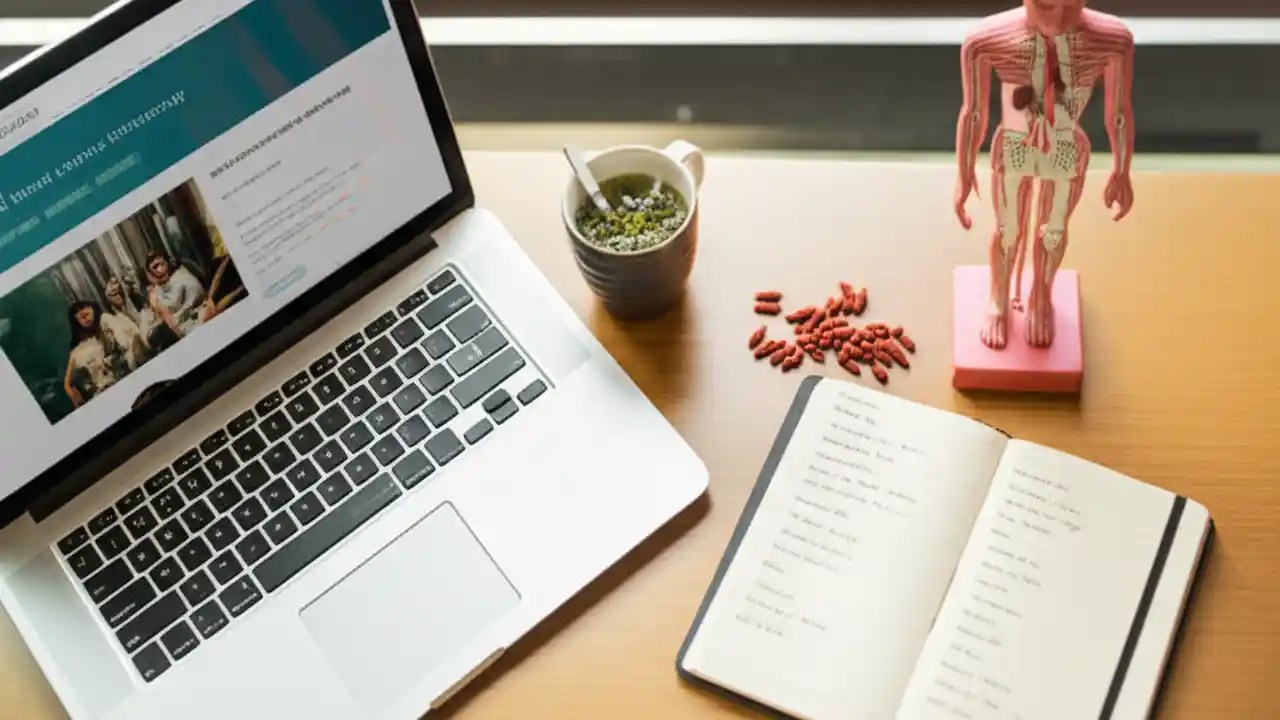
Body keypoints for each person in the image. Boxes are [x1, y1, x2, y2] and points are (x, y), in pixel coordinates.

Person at [953, 0, 1135, 349]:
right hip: (1015, 144)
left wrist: (1122, 170)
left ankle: (1040, 295)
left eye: (1070, 5)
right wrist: (964, 174)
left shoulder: (1113, 40)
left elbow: (1119, 112)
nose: (1059, 19)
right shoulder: (986, 39)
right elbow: (973, 112)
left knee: (1053, 231)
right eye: (1046, 5)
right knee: (1008, 230)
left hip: (1066, 147)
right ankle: (998, 295)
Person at [63, 301, 130, 408]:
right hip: (102, 393)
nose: (84, 315)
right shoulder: (76, 352)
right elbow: (68, 384)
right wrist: (80, 403)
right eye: (80, 315)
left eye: (85, 309)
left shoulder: (106, 323)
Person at [145, 251, 206, 339]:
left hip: (197, 321)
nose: (160, 269)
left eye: (161, 264)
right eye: (155, 267)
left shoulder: (179, 277)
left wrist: (156, 293)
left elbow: (172, 304)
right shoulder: (173, 279)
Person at [102, 277, 152, 369]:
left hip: (147, 346)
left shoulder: (131, 308)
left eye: (119, 293)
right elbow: (123, 342)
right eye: (113, 295)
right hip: (133, 356)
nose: (118, 296)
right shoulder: (108, 318)